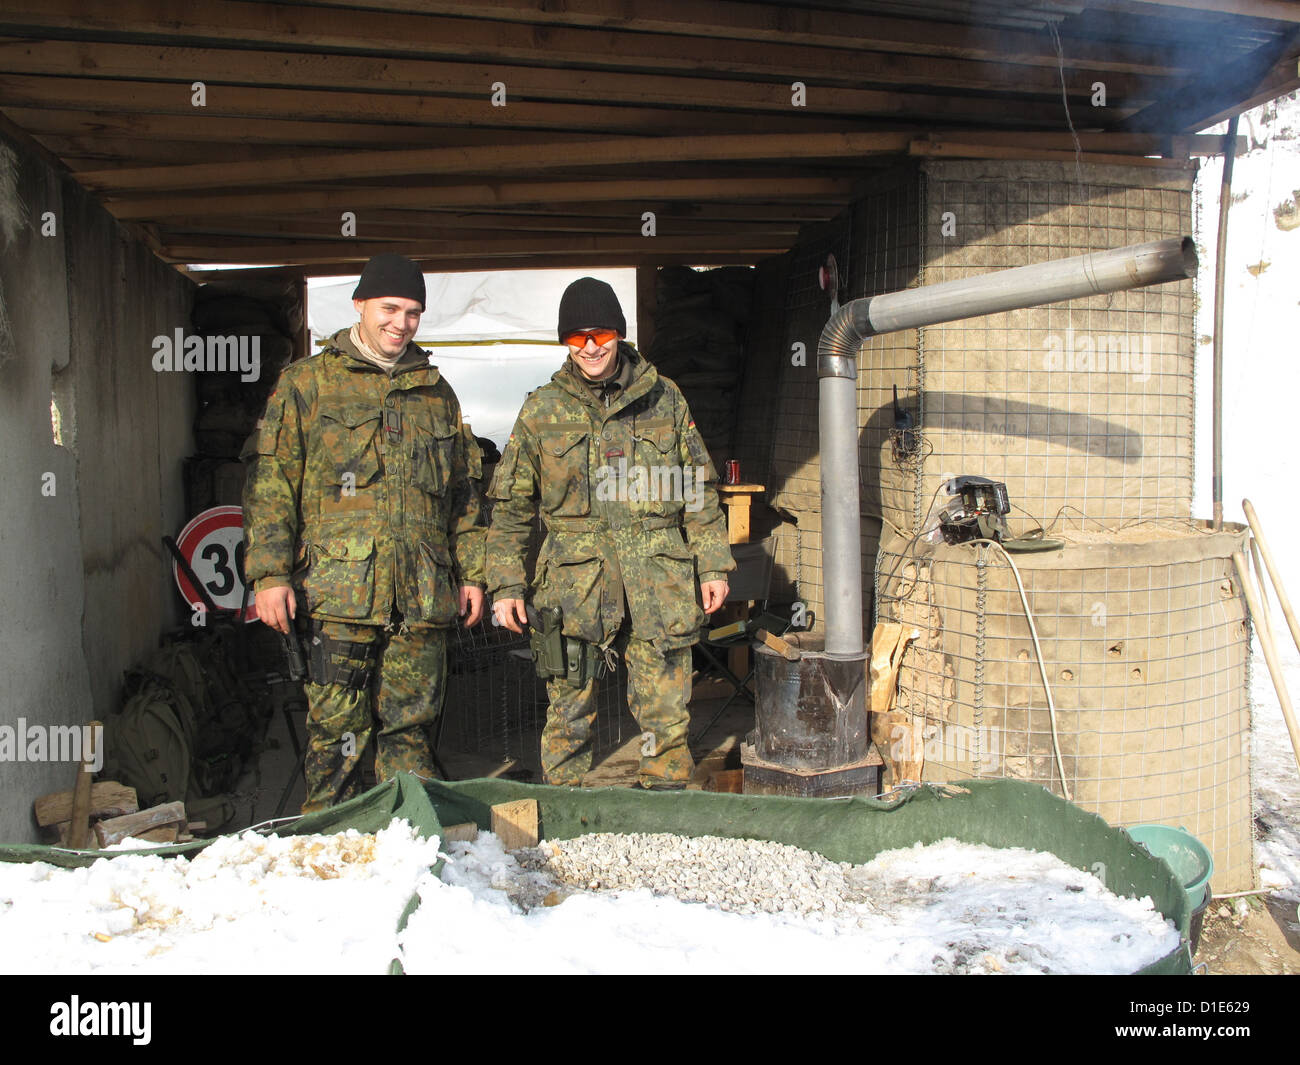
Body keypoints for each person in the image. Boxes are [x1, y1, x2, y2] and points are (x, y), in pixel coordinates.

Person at [242, 253, 485, 811]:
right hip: (338, 598)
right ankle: (337, 846)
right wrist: (270, 575)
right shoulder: (308, 384)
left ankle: (409, 842)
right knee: (336, 740)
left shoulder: (436, 393)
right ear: (359, 305)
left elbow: (463, 496)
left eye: (413, 312)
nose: (401, 323)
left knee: (411, 736)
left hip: (421, 597)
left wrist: (472, 574)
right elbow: (272, 483)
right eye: (389, 308)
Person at [486, 277, 733, 789]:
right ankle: (563, 813)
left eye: (599, 334)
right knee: (567, 715)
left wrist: (712, 565)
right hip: (574, 588)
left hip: (658, 581)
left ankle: (664, 809)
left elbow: (698, 489)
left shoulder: (665, 399)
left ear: (618, 333)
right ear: (565, 342)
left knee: (666, 717)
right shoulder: (543, 409)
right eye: (576, 337)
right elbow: (511, 506)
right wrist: (506, 583)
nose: (590, 347)